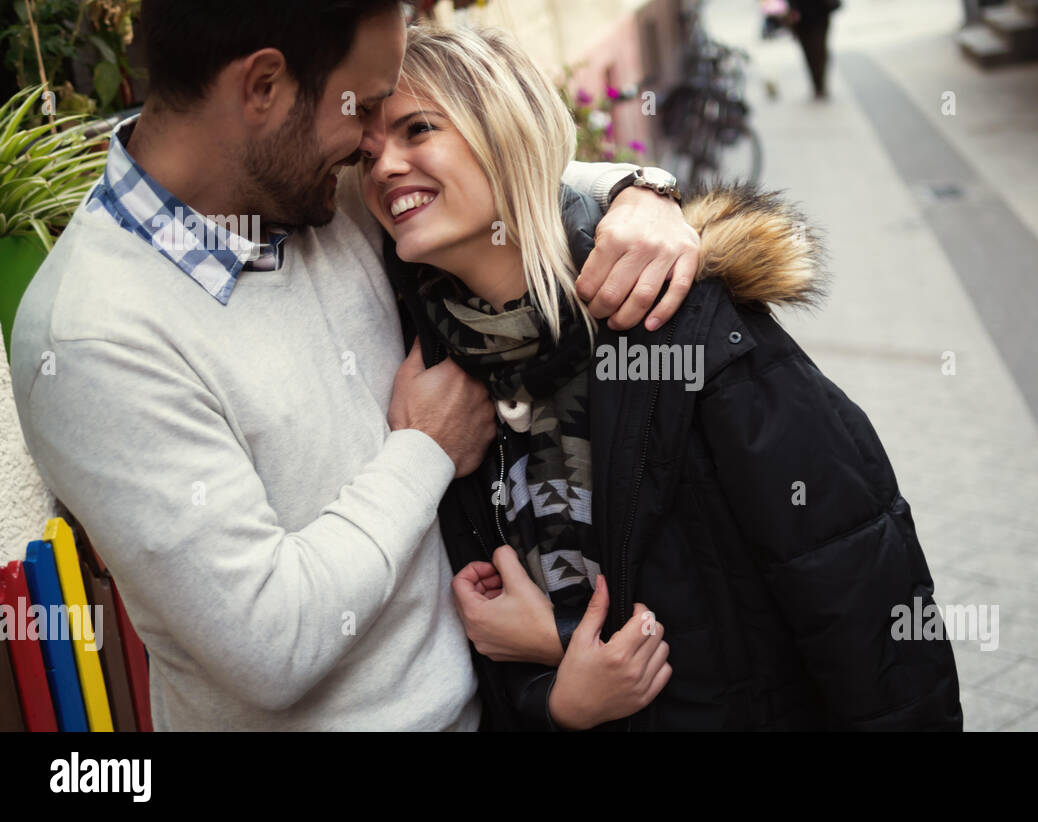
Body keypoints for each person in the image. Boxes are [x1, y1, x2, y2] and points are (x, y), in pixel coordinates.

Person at [10, 0, 701, 731]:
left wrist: (636, 195)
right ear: (264, 88)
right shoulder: (90, 339)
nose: (370, 142)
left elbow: (492, 176)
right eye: (363, 105)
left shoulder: (312, 188)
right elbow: (268, 646)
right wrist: (425, 450)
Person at [364, 23, 963, 731]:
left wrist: (558, 645)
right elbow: (488, 656)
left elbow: (853, 585)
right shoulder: (441, 381)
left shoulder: (676, 322)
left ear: (503, 130)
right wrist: (556, 701)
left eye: (417, 129)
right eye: (367, 154)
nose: (384, 168)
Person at [789, 0, 841, 100]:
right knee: (809, 53)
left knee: (819, 50)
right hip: (800, 18)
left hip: (820, 14)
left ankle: (820, 84)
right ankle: (816, 84)